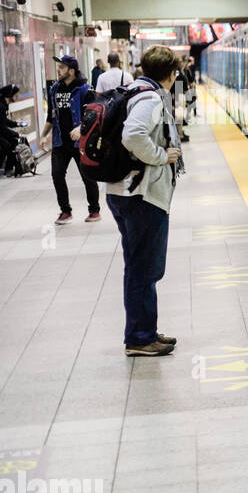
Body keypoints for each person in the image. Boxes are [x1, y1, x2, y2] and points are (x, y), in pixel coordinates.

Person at [106, 45, 185, 357]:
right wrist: (161, 156)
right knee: (144, 268)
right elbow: (134, 134)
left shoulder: (133, 90)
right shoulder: (151, 97)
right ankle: (140, 338)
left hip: (124, 191)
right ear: (169, 73)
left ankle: (144, 330)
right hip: (141, 195)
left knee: (138, 267)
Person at [43, 55, 101, 224]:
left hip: (80, 141)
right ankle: (65, 211)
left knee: (87, 175)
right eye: (58, 66)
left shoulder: (85, 90)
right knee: (57, 174)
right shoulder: (55, 89)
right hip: (60, 141)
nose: (58, 70)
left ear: (72, 70)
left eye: (62, 67)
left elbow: (93, 115)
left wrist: (81, 128)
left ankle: (94, 210)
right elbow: (51, 115)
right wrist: (43, 135)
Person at [0, 84, 24, 175]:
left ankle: (10, 168)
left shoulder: (4, 105)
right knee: (7, 145)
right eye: (16, 95)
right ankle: (7, 169)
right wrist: (16, 134)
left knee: (13, 142)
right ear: (9, 95)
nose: (17, 97)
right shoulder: (1, 107)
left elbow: (4, 120)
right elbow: (2, 127)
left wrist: (16, 124)